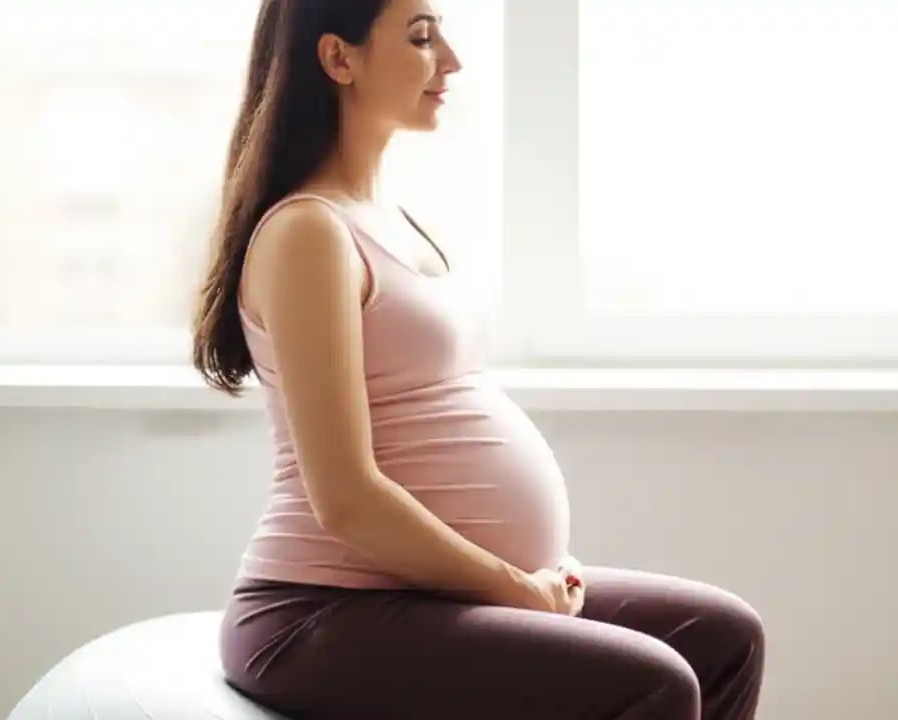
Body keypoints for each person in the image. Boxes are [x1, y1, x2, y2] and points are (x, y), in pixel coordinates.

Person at [191, 1, 765, 717]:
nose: (451, 61)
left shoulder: (388, 218)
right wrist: (514, 587)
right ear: (339, 59)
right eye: (422, 37)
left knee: (723, 637)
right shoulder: (308, 233)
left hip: (419, 591)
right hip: (319, 610)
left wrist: (528, 570)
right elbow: (344, 497)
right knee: (658, 682)